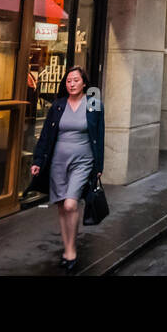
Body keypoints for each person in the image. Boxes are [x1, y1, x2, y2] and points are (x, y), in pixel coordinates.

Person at [30, 67, 105, 273]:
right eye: (68, 81)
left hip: (83, 161)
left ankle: (71, 249)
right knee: (62, 206)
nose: (71, 84)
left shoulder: (94, 105)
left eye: (75, 80)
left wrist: (99, 166)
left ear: (84, 84)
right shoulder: (58, 106)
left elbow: (99, 136)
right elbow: (46, 134)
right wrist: (38, 160)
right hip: (58, 162)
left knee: (71, 204)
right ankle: (69, 249)